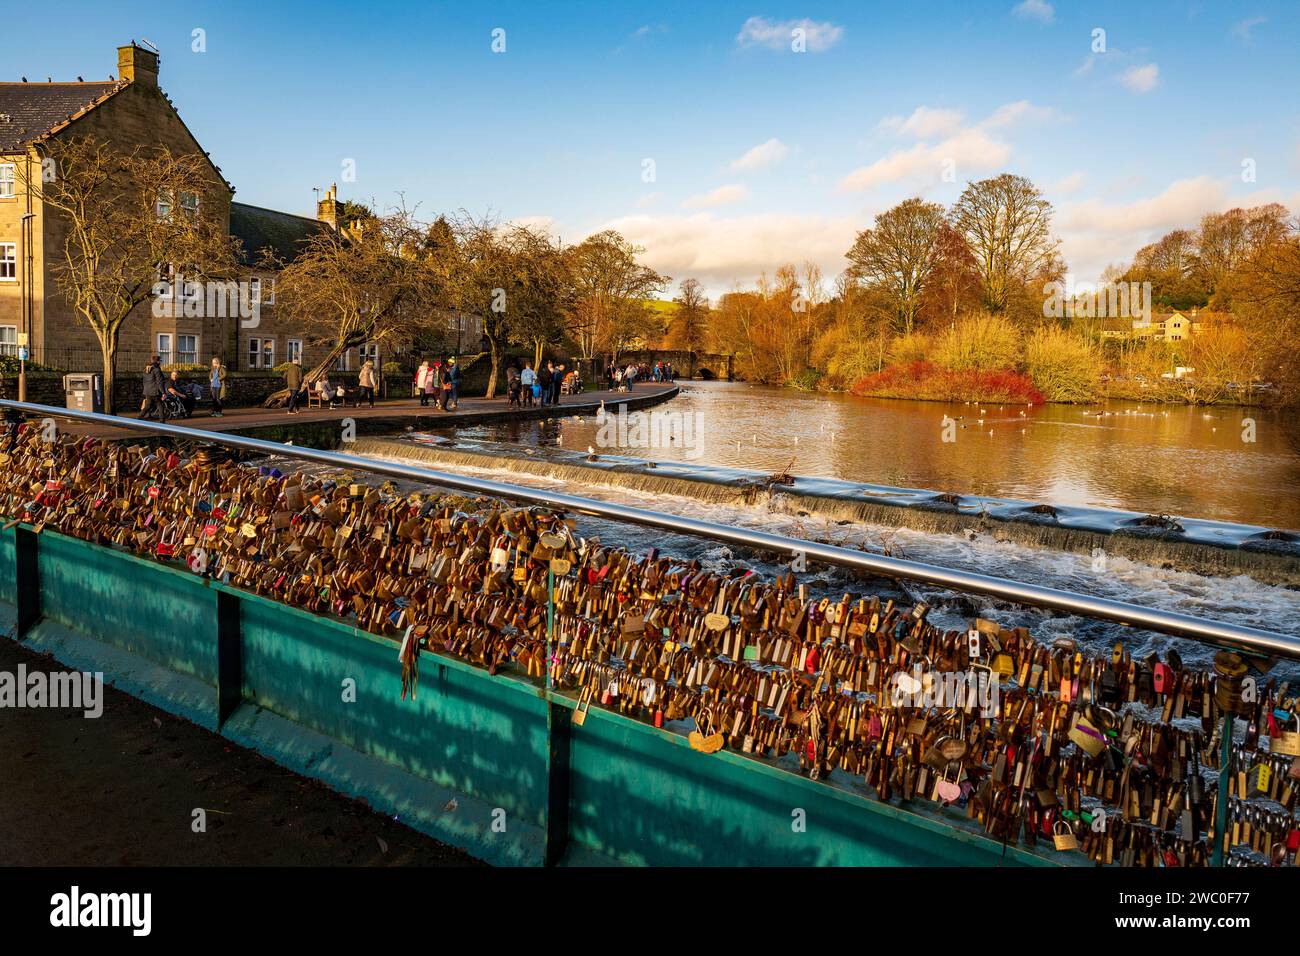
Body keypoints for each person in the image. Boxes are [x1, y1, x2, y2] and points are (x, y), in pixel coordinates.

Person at [140, 356, 166, 421]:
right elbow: (159, 382)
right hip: (155, 391)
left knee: (148, 406)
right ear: (157, 361)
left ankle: (139, 418)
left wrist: (145, 390)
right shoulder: (157, 370)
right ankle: (162, 420)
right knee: (160, 405)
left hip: (147, 391)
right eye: (160, 361)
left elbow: (144, 381)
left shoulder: (145, 370)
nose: (160, 362)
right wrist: (163, 393)